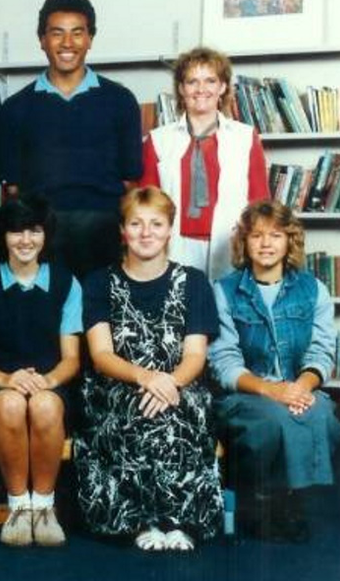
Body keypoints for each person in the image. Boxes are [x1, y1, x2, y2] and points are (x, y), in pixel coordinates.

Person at [76, 186, 222, 552]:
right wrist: (146, 378)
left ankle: (178, 521)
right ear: (122, 231)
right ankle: (140, 520)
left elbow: (194, 356)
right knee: (132, 410)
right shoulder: (98, 282)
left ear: (170, 229)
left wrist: (168, 384)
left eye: (156, 224)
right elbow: (101, 355)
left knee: (179, 412)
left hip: (180, 382)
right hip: (118, 382)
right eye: (136, 223)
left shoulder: (194, 282)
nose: (146, 233)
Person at [208, 200, 340, 542]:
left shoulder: (314, 289)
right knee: (272, 418)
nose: (266, 243)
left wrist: (300, 387)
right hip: (246, 392)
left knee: (323, 415)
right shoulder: (224, 291)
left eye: (276, 235)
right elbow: (224, 360)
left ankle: (291, 503)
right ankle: (262, 506)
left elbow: (322, 350)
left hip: (300, 387)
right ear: (244, 242)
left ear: (290, 241)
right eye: (257, 235)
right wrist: (273, 391)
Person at [0, 0, 142, 279]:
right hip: (41, 236)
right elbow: (12, 188)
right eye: (57, 33)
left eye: (77, 33)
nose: (67, 43)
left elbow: (129, 179)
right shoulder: (15, 108)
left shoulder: (121, 100)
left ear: (90, 38)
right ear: (42, 40)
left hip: (102, 235)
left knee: (99, 319)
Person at [0, 195, 82, 547]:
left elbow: (71, 359)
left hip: (52, 381)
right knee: (10, 405)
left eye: (34, 231)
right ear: (2, 236)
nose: (25, 240)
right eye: (16, 231)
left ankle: (44, 507)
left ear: (46, 235)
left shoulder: (66, 282)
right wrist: (7, 380)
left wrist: (45, 382)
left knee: (44, 405)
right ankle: (19, 506)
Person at [140, 47, 270, 281]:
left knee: (226, 314)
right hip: (174, 246)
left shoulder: (245, 137)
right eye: (192, 82)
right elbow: (146, 206)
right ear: (181, 89)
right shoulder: (158, 140)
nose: (201, 90)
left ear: (222, 87)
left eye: (210, 80)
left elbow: (260, 202)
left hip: (230, 244)